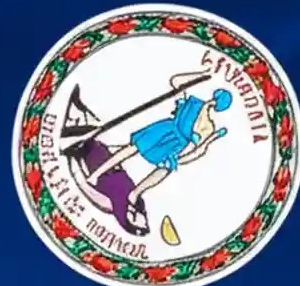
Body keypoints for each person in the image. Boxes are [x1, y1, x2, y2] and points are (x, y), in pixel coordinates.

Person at [86, 73, 231, 225]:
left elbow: (198, 150)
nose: (213, 102)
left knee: (165, 167)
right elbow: (176, 81)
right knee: (134, 147)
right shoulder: (194, 103)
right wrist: (201, 74)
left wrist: (180, 158)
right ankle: (96, 174)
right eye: (215, 98)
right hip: (165, 129)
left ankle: (135, 194)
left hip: (177, 144)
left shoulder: (207, 126)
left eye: (217, 101)